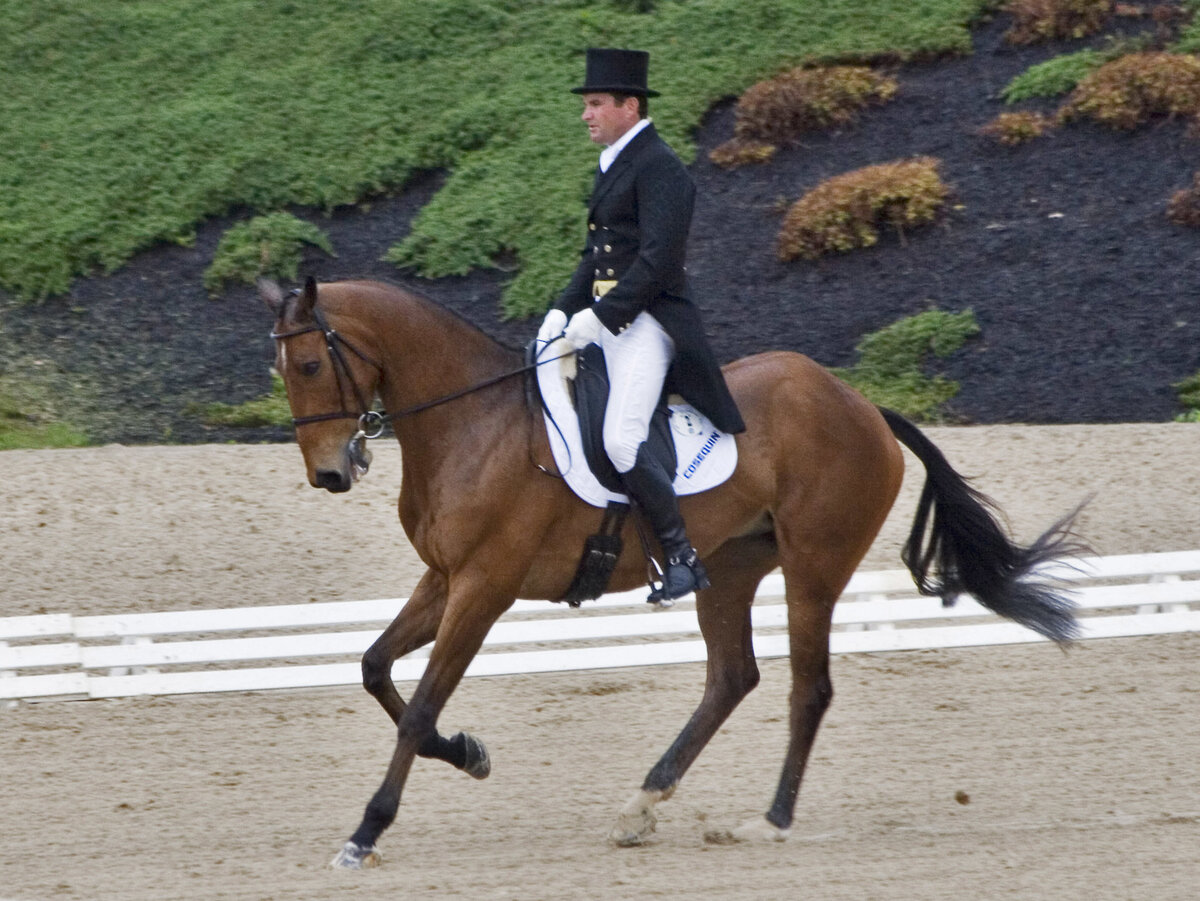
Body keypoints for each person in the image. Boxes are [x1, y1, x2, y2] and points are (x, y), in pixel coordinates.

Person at [537, 47, 746, 601]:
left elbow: (657, 261)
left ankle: (681, 557)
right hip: (612, 320)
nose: (586, 114)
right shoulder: (614, 164)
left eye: (596, 103)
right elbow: (596, 256)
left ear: (630, 106)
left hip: (651, 320)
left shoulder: (661, 168)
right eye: (585, 104)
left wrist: (600, 317)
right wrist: (561, 312)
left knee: (621, 439)